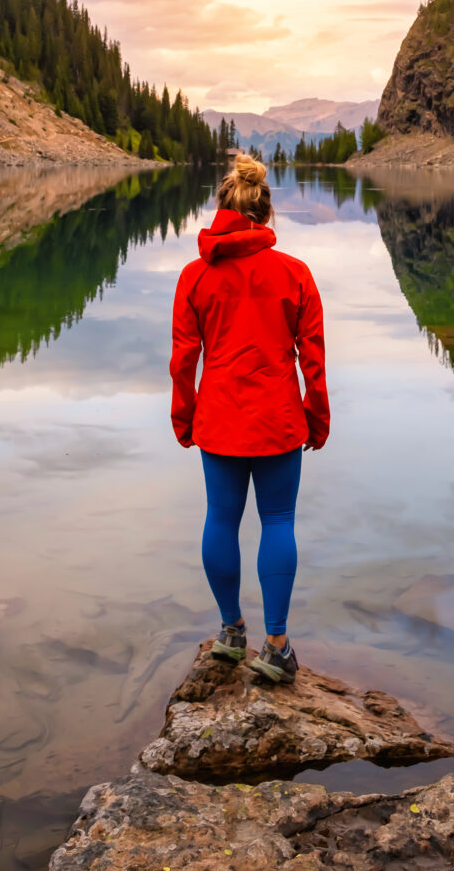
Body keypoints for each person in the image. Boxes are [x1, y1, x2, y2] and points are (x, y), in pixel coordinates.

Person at [169, 154, 329, 683]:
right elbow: (313, 359)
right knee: (278, 521)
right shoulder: (294, 273)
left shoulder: (194, 276)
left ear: (223, 209)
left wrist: (184, 417)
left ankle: (231, 632)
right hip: (279, 418)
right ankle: (276, 646)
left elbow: (183, 360)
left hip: (218, 418)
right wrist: (317, 417)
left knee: (221, 519)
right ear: (266, 212)